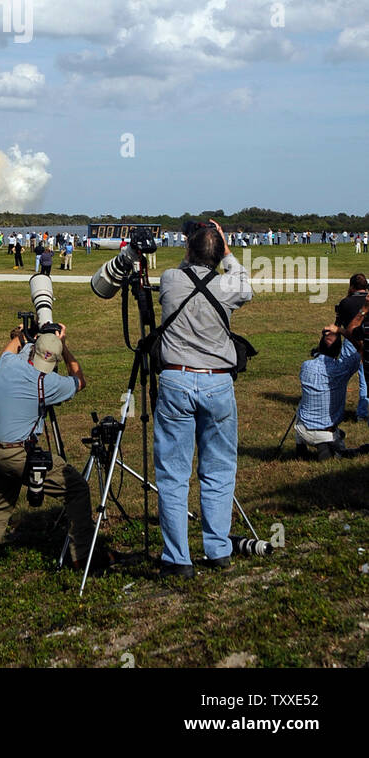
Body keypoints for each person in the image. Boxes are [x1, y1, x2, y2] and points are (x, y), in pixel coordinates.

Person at [153, 219, 252, 578]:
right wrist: (224, 250)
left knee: (173, 474)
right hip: (218, 382)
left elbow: (185, 270)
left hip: (177, 379)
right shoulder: (229, 284)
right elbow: (245, 285)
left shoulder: (170, 279)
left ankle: (178, 558)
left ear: (188, 251)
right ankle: (217, 548)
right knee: (219, 470)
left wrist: (196, 248)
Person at [0, 322, 94, 582]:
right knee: (77, 488)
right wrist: (64, 348)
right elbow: (80, 380)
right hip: (16, 454)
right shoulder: (47, 383)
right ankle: (83, 555)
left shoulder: (8, 365)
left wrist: (20, 333)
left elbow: (10, 348)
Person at [294, 293, 368, 459]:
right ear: (338, 351)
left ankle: (301, 447)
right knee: (335, 451)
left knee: (302, 408)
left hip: (301, 428)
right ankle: (328, 450)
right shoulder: (343, 369)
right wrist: (341, 330)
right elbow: (361, 349)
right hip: (325, 432)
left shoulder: (306, 366)